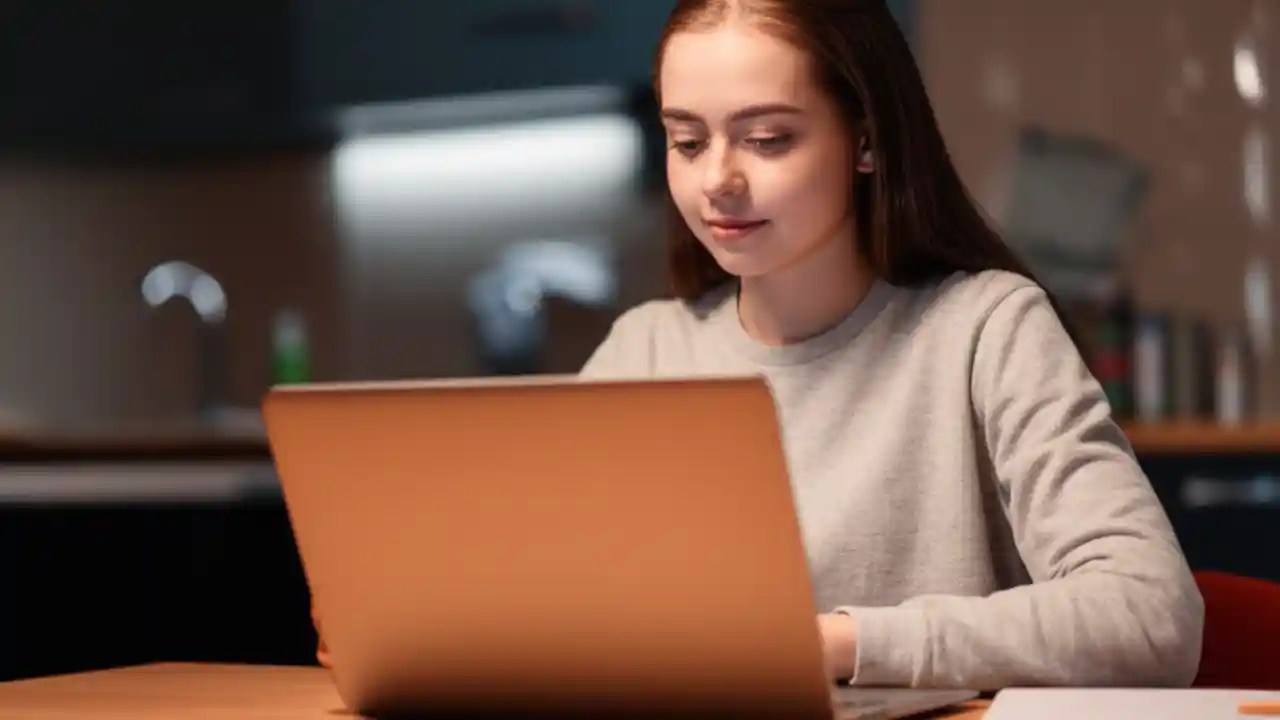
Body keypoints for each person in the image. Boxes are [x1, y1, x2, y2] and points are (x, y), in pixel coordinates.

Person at [314, 0, 1204, 690]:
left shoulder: (985, 329)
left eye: (768, 139)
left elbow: (1151, 614)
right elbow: (540, 605)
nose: (718, 181)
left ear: (865, 141)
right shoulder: (645, 353)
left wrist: (837, 644)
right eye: (686, 141)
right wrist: (407, 620)